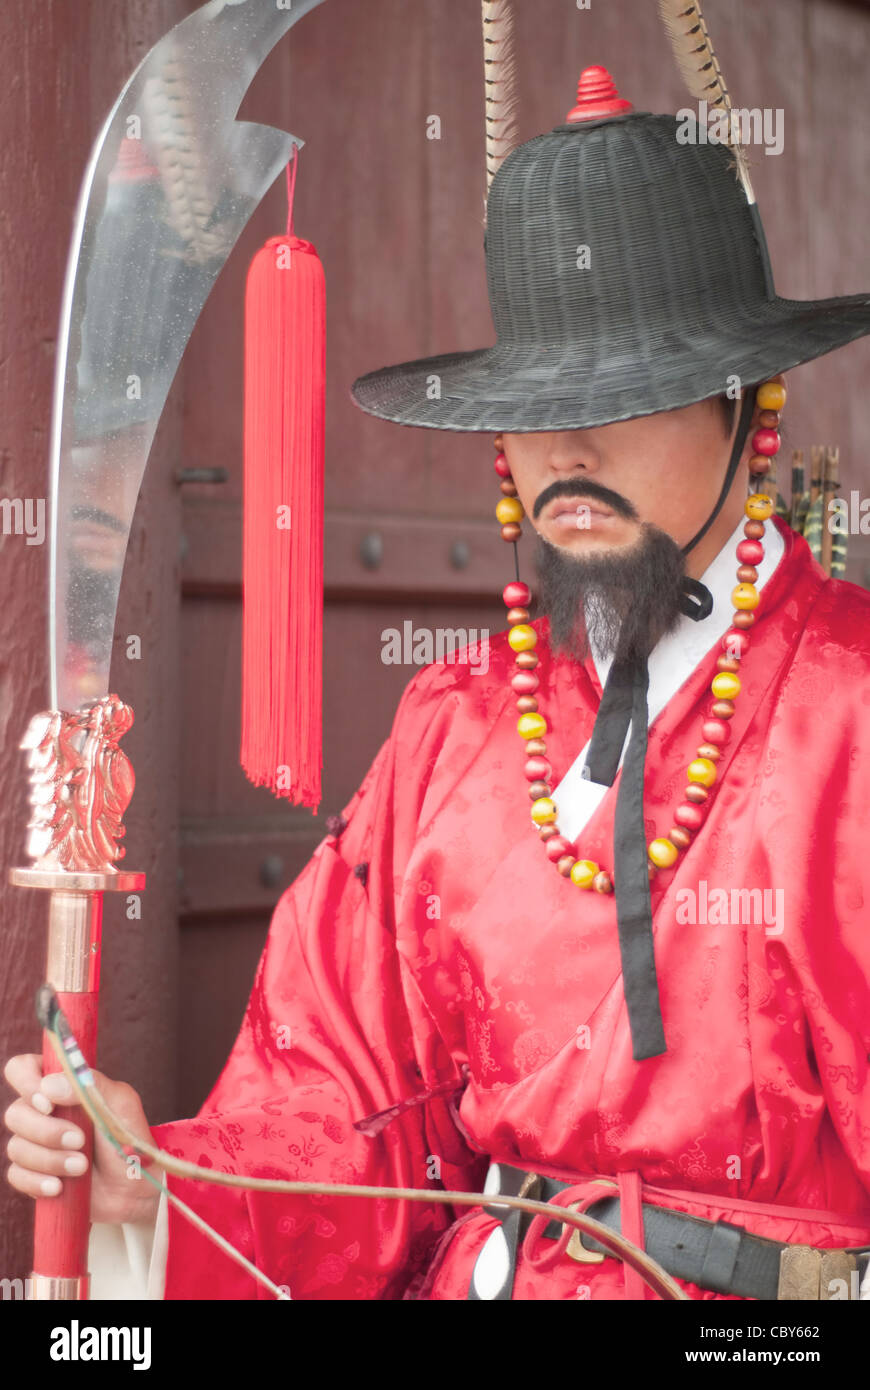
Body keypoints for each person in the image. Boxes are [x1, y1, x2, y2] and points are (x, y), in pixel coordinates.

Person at [5, 69, 870, 1302]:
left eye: (617, 400)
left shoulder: (848, 705)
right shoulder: (455, 726)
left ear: (746, 400)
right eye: (533, 409)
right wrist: (154, 1178)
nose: (565, 449)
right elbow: (341, 1117)